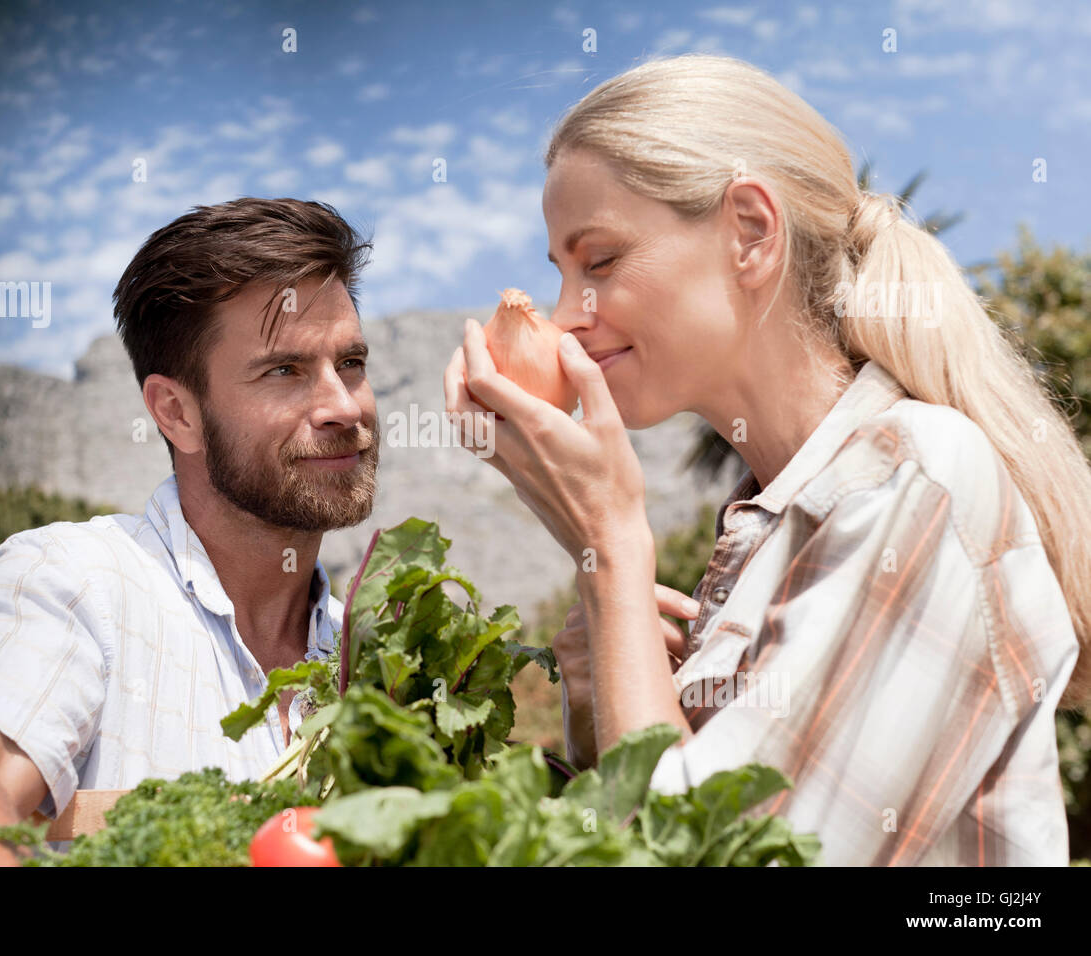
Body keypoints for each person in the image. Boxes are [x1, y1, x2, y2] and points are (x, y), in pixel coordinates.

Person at [444, 54, 1090, 866]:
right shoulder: (773, 529)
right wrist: (601, 675)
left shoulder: (916, 477)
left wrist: (611, 546)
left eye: (599, 262)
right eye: (562, 274)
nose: (569, 315)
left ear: (750, 232)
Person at [0, 197, 379, 865]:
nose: (343, 405)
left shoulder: (370, 663)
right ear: (176, 413)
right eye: (285, 371)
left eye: (353, 363)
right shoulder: (78, 584)